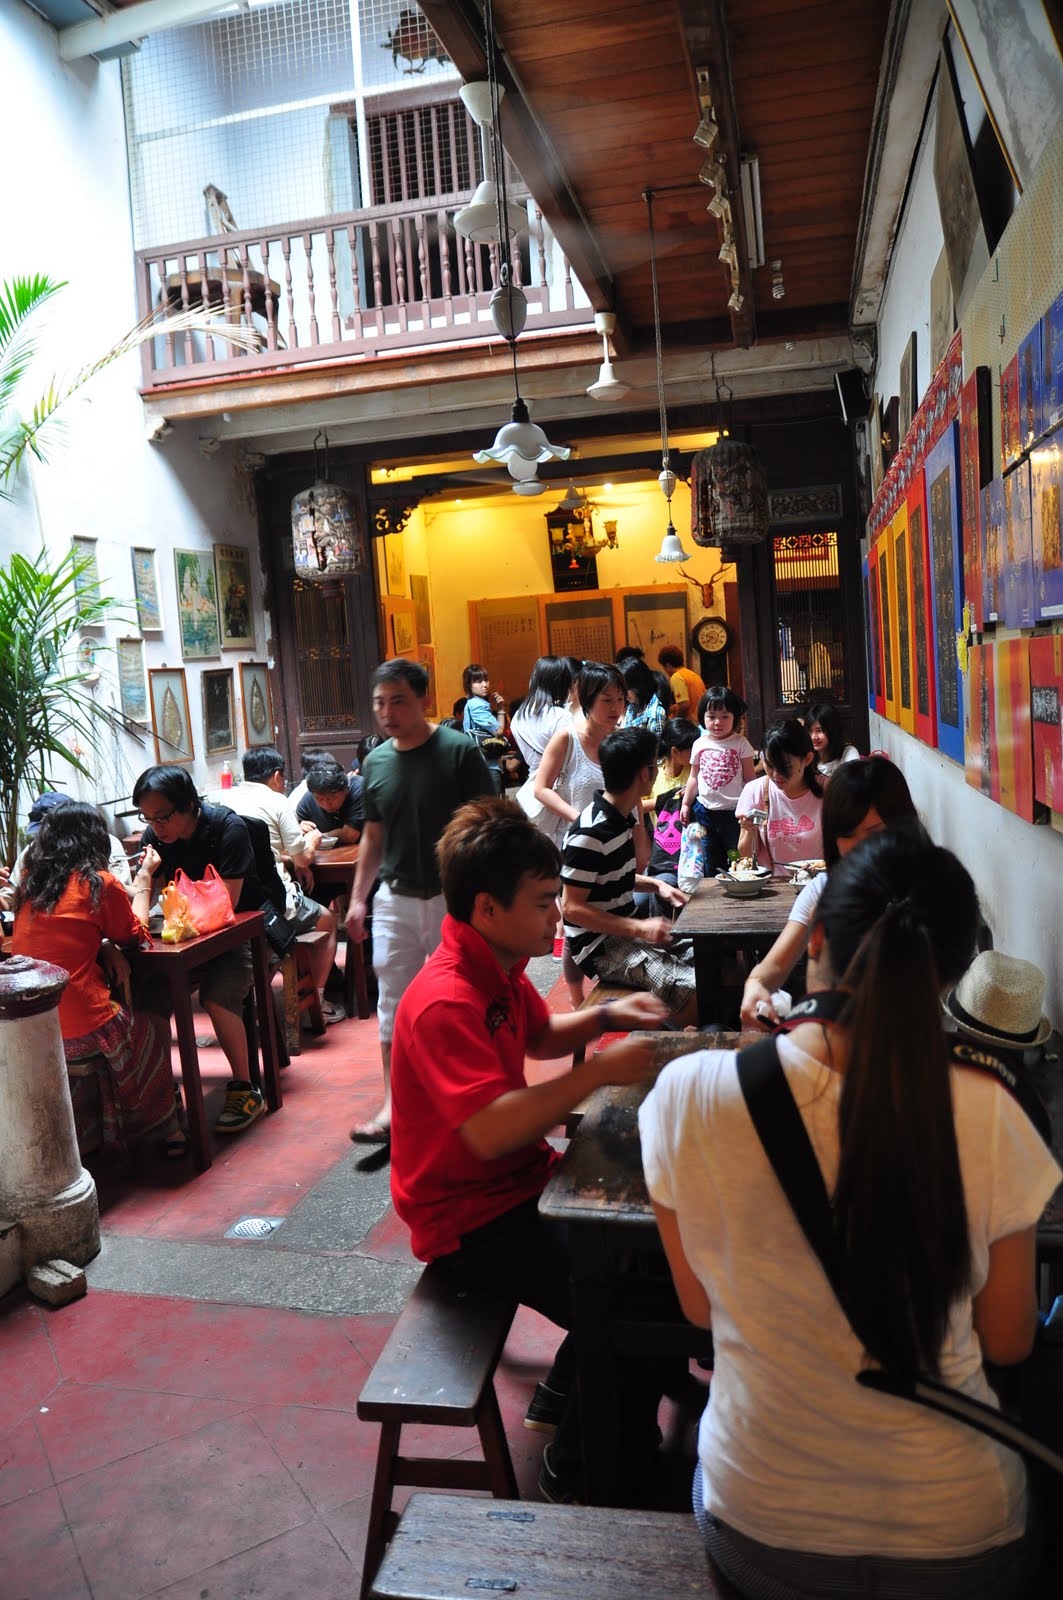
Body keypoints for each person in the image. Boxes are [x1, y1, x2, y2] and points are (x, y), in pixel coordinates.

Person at [639, 830, 1057, 1599]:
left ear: (820, 935)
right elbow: (1006, 1338)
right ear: (954, 975)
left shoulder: (687, 1095)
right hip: (957, 1532)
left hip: (762, 1523)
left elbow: (699, 1309)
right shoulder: (993, 1111)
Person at [388, 795, 672, 1503]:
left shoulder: (495, 968)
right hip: (466, 1220)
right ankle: (579, 1470)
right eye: (544, 902)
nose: (557, 915)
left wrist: (603, 1015)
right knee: (633, 1301)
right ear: (487, 908)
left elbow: (539, 1040)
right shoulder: (446, 998)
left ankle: (565, 1394)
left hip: (512, 1185)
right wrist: (604, 1068)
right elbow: (487, 1129)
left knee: (647, 1255)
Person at [345, 657, 495, 1144]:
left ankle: (478, 1095)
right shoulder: (375, 762)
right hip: (396, 897)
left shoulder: (458, 751)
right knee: (394, 1002)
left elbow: (487, 823)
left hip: (456, 899)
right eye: (379, 703)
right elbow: (373, 833)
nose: (387, 712)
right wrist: (357, 900)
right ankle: (395, 1105)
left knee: (467, 995)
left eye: (398, 701)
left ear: (423, 699)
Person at [13, 801, 187, 1157]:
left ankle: (96, 1129)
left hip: (33, 1031)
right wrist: (143, 881)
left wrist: (103, 944)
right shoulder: (98, 884)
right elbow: (135, 934)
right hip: (83, 1029)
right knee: (152, 1027)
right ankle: (169, 1129)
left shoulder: (31, 886)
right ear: (96, 841)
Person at [130, 765, 266, 1134]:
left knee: (218, 998)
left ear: (189, 805)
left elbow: (229, 904)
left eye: (162, 816)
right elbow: (145, 906)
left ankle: (244, 1086)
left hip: (240, 931)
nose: (155, 826)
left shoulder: (227, 828)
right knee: (150, 995)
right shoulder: (154, 838)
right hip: (187, 939)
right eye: (148, 818)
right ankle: (164, 1090)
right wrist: (146, 877)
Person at [739, 755, 920, 1028]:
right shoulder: (822, 890)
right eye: (847, 833)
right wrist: (755, 987)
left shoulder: (926, 890)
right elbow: (771, 970)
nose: (859, 847)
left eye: (874, 833)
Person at [562, 727, 697, 1024]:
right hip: (600, 946)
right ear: (643, 774)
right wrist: (641, 929)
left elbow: (612, 877)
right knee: (693, 988)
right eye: (654, 764)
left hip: (625, 931)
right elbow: (571, 907)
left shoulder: (620, 816)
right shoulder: (590, 831)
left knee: (707, 957)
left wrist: (658, 885)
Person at [533, 662, 630, 1004]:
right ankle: (578, 1001)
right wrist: (580, 819)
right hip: (577, 847)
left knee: (620, 912)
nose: (616, 708)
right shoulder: (569, 739)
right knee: (576, 929)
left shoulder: (621, 741)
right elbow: (541, 788)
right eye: (607, 699)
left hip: (619, 846)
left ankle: (619, 987)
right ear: (588, 700)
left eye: (620, 699)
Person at [225, 747, 344, 1025]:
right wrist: (312, 839)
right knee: (328, 920)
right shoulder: (277, 801)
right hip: (276, 904)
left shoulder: (225, 799)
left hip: (235, 901)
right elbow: (302, 855)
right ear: (277, 776)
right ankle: (318, 1000)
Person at [1, 791, 133, 911]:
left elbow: (121, 896)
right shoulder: (32, 850)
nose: (46, 839)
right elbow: (10, 901)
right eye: (41, 832)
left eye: (52, 833)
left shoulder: (103, 843)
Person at [679, 687, 757, 878]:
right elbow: (693, 777)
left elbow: (750, 779)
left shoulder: (741, 743)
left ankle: (739, 890)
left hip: (734, 814)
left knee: (735, 856)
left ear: (735, 718)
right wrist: (686, 804)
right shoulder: (699, 744)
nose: (717, 722)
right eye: (711, 716)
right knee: (711, 859)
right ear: (702, 717)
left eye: (725, 716)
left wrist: (752, 808)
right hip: (706, 814)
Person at [735, 718, 824, 876]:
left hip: (818, 883)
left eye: (785, 767)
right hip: (775, 886)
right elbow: (746, 856)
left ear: (807, 759)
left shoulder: (829, 789)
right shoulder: (755, 791)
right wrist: (748, 829)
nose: (776, 775)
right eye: (769, 765)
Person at [637, 718, 699, 916]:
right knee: (639, 901)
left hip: (690, 854)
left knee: (661, 888)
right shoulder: (655, 774)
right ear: (675, 751)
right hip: (662, 854)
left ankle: (664, 940)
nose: (696, 754)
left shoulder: (695, 772)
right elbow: (636, 806)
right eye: (692, 749)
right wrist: (667, 799)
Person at [510, 656, 575, 777]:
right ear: (561, 684)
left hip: (533, 782)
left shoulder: (517, 717)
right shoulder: (561, 717)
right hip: (560, 784)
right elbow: (573, 757)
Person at [296, 760, 364, 843]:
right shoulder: (308, 800)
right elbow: (296, 835)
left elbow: (350, 836)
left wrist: (319, 836)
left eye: (332, 798)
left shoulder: (359, 788)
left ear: (346, 789)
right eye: (320, 799)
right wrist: (299, 830)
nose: (326, 805)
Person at [805, 701, 860, 777]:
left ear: (832, 730)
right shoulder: (806, 758)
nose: (813, 737)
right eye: (810, 731)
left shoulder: (848, 753)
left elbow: (853, 784)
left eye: (819, 731)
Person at [619, 655, 667, 735]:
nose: (623, 694)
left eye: (626, 688)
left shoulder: (655, 713)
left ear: (638, 685)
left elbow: (655, 746)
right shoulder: (633, 705)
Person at [657, 644, 705, 722]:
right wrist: (675, 707)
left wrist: (673, 722)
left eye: (664, 667)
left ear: (668, 665)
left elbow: (684, 705)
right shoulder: (692, 674)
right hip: (701, 721)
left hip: (692, 724)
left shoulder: (676, 677)